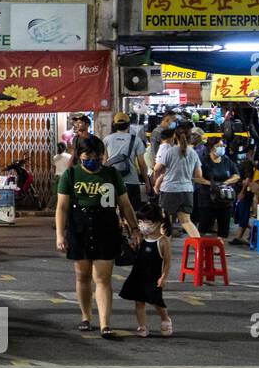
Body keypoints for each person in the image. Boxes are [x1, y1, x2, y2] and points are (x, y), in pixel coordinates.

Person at [55, 135, 139, 338]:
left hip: (106, 227)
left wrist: (134, 229)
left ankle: (104, 323)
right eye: (88, 155)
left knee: (103, 278)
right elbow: (62, 207)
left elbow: (125, 204)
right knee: (82, 275)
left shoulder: (112, 174)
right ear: (80, 155)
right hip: (79, 229)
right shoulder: (71, 175)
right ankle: (86, 316)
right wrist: (60, 234)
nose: (93, 159)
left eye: (97, 155)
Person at [119, 202, 174, 338]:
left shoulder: (163, 241)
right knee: (139, 301)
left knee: (156, 301)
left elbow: (167, 262)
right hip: (138, 275)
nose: (143, 224)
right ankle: (142, 326)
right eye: (140, 221)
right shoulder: (142, 238)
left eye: (147, 221)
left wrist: (164, 277)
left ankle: (165, 319)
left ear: (157, 222)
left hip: (153, 277)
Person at [152, 125, 204, 238]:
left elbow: (157, 169)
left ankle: (163, 250)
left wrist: (157, 180)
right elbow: (199, 175)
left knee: (166, 221)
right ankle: (199, 250)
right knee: (186, 221)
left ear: (175, 136)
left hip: (169, 190)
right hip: (187, 191)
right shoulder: (193, 153)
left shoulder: (170, 151)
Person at [103, 112, 149, 209]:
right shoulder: (136, 140)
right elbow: (142, 164)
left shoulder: (107, 139)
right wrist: (147, 183)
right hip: (131, 181)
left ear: (114, 125)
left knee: (109, 211)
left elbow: (104, 163)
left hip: (111, 181)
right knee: (132, 212)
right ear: (129, 124)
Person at [197, 137, 240, 239]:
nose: (221, 148)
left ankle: (219, 249)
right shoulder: (204, 161)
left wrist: (226, 183)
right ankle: (199, 246)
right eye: (218, 146)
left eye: (223, 146)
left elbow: (237, 175)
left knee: (224, 227)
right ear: (211, 147)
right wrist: (211, 184)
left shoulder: (226, 160)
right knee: (204, 224)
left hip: (225, 199)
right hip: (208, 199)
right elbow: (196, 178)